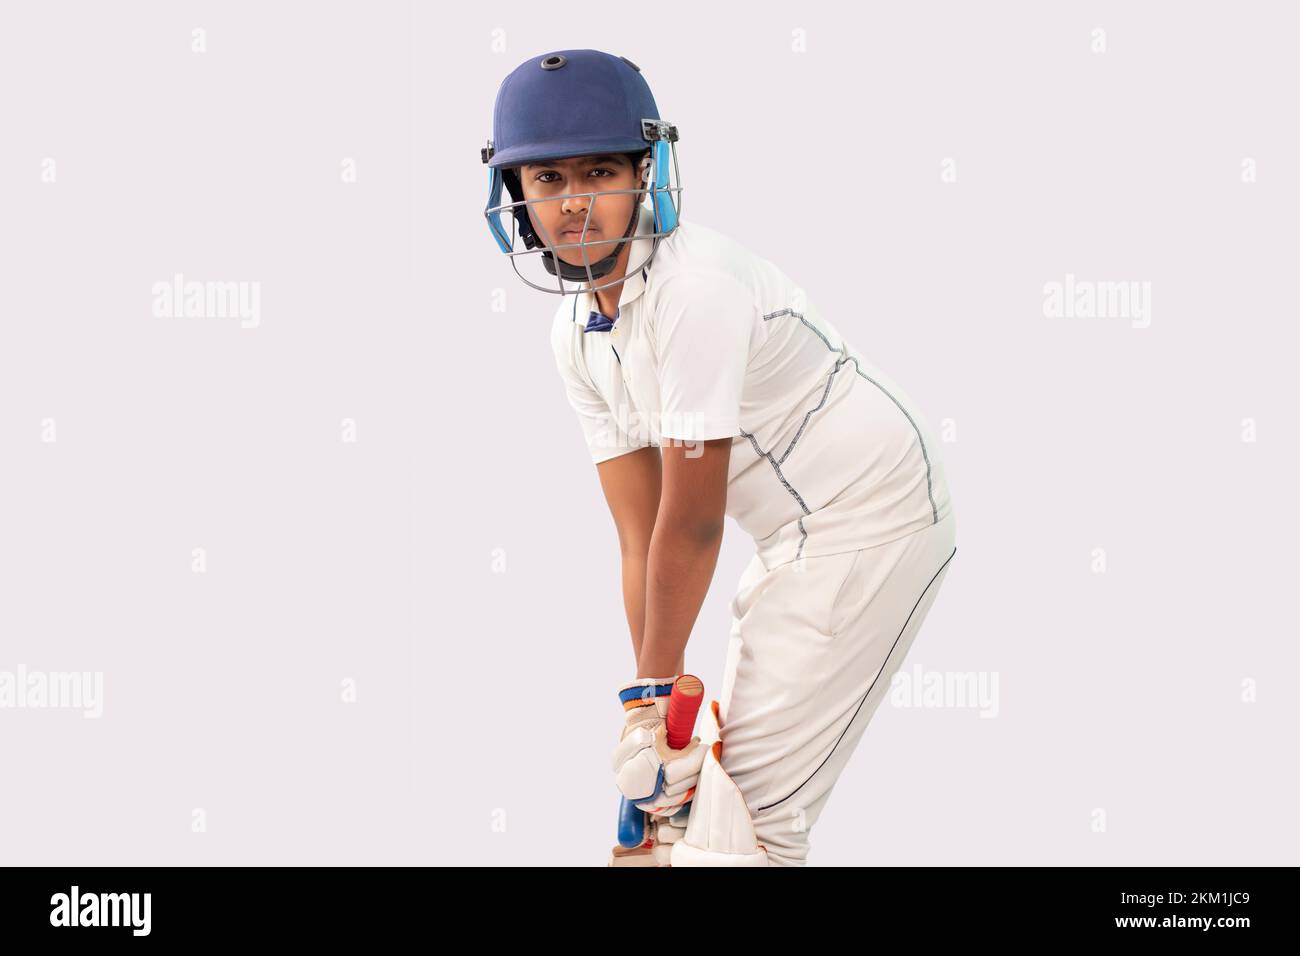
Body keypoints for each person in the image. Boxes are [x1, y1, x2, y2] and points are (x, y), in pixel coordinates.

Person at [481, 49, 957, 866]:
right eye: (548, 180)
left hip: (870, 517)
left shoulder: (692, 290)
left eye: (598, 171)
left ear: (646, 172)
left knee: (746, 830)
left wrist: (655, 702)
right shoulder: (577, 336)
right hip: (793, 539)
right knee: (684, 811)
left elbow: (694, 523)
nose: (575, 203)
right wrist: (648, 705)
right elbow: (641, 530)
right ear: (517, 194)